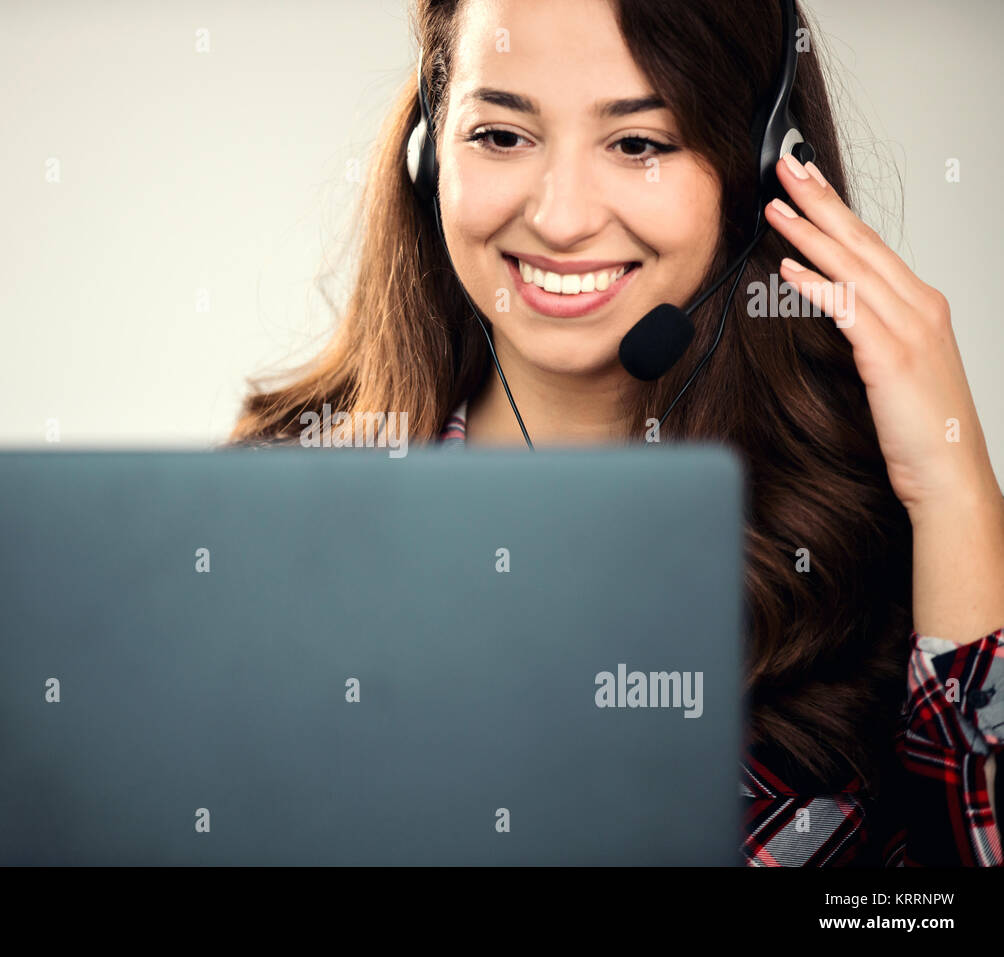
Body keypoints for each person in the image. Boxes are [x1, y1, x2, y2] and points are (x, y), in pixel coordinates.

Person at [228, 0, 1004, 865]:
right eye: (501, 135)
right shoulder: (275, 511)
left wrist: (956, 494)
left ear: (760, 168)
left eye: (639, 143)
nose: (560, 220)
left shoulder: (886, 540)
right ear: (429, 149)